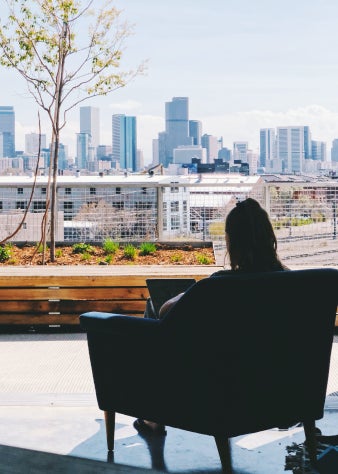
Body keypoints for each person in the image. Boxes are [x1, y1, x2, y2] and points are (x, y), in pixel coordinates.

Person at [134, 197, 288, 436]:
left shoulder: (220, 286)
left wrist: (191, 294)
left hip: (220, 386)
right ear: (270, 237)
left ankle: (153, 415)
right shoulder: (293, 284)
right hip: (273, 386)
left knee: (154, 308)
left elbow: (166, 310)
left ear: (231, 241)